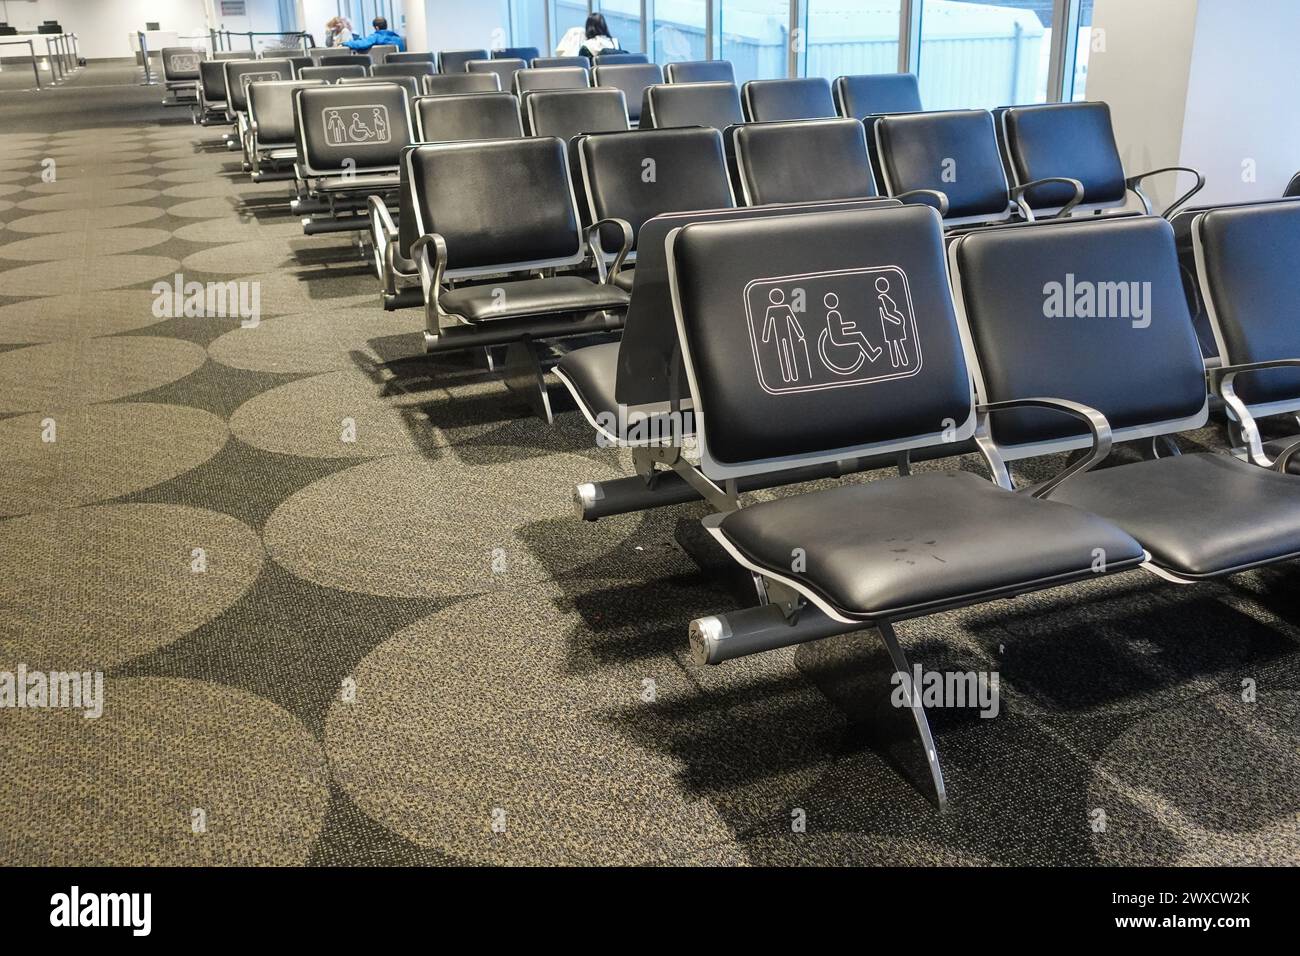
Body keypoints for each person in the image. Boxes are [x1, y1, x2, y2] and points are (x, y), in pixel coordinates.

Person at [554, 13, 620, 58]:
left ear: (588, 27)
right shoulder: (615, 42)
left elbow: (583, 66)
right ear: (604, 26)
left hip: (596, 78)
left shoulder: (586, 46)